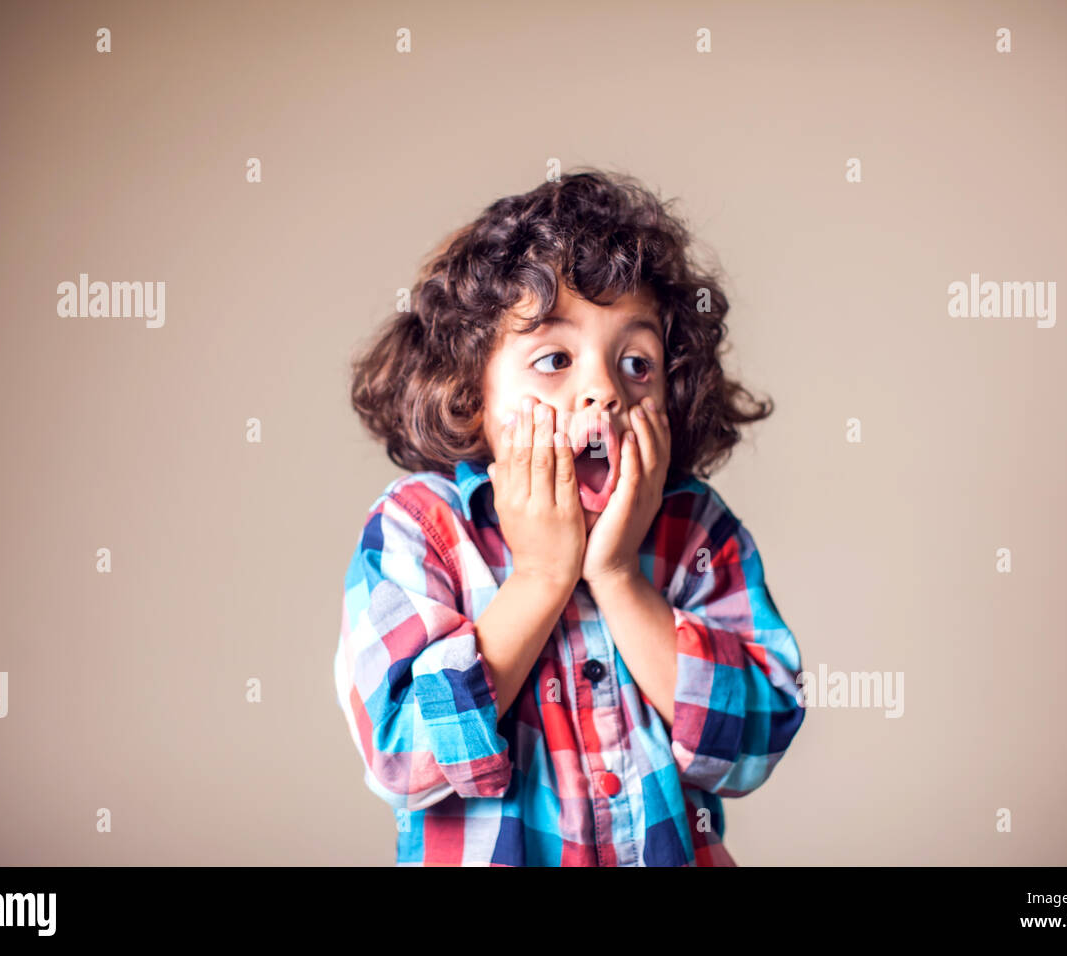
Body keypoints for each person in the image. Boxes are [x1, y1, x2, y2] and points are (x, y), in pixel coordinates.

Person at [335, 168, 806, 865]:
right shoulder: (419, 529)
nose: (604, 391)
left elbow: (758, 738)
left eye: (637, 364)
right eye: (555, 358)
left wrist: (617, 576)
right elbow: (400, 755)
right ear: (470, 396)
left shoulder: (697, 531)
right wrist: (541, 577)